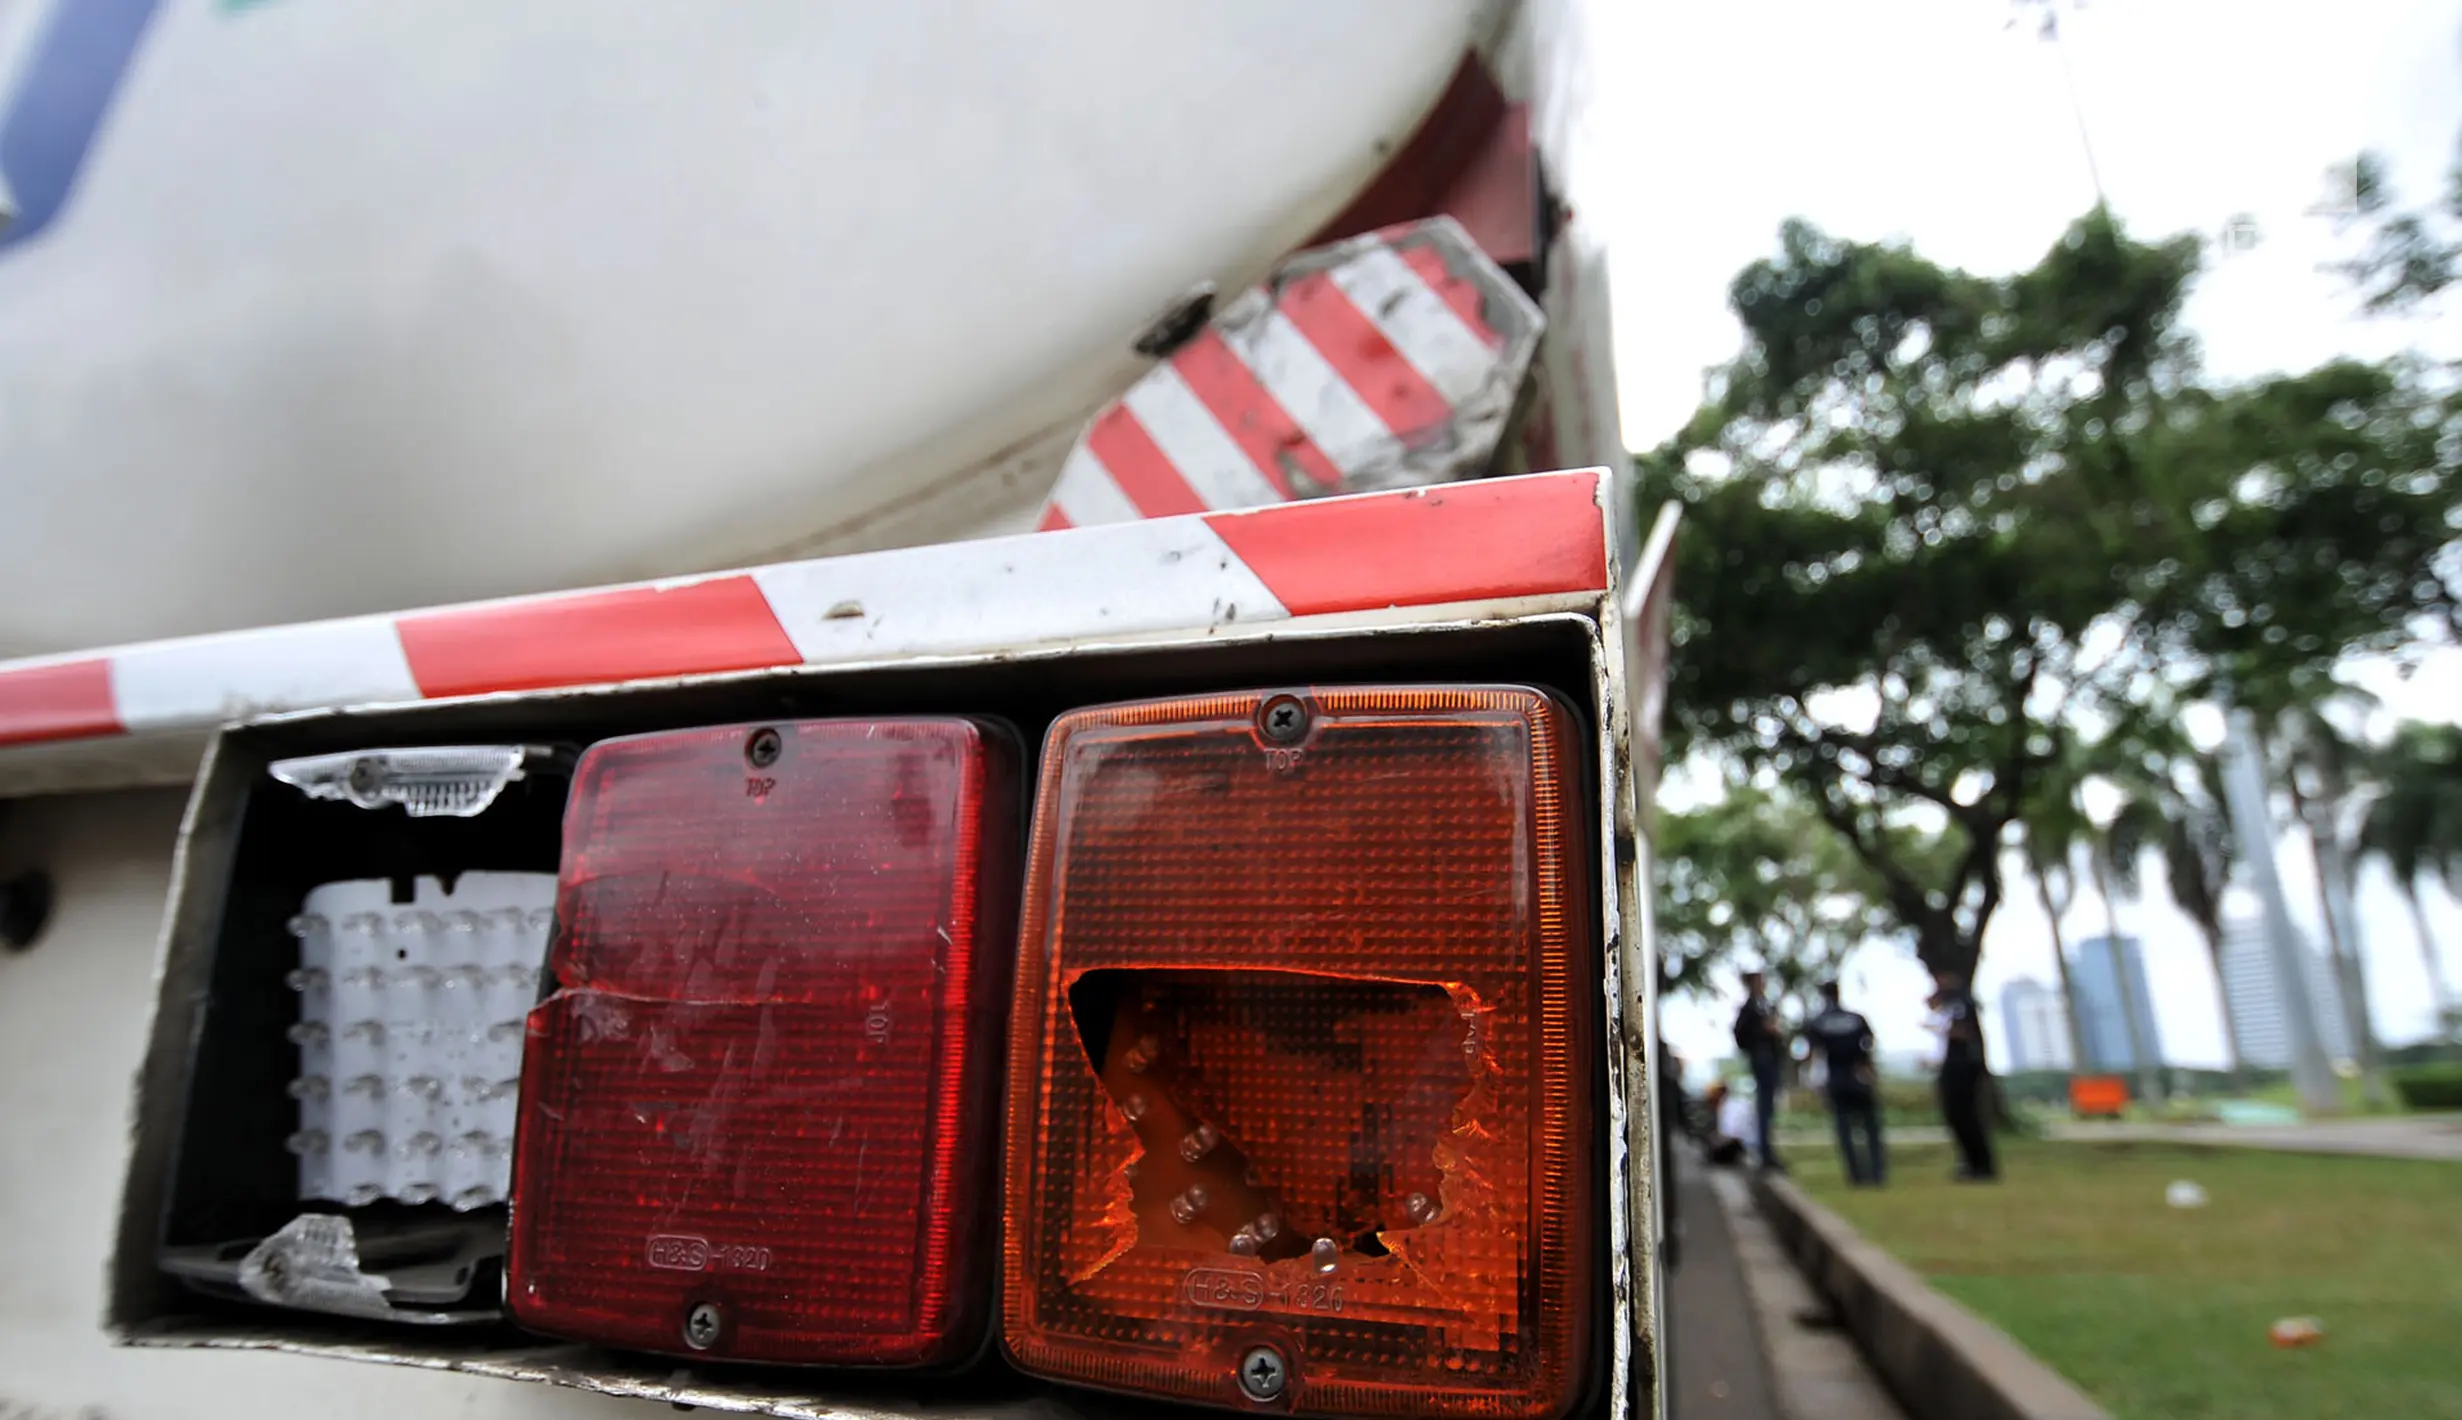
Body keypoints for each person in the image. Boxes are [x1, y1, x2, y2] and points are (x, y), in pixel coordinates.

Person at [1805, 980, 1885, 1186]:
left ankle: (1855, 1175)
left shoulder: (1819, 1022)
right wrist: (1868, 1068)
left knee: (1844, 1129)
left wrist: (1816, 1081)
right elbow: (1868, 1043)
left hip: (1837, 1078)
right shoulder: (1856, 1018)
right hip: (1859, 1075)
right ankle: (1877, 1173)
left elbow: (1815, 1054)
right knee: (1871, 1127)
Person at [1931, 966, 1998, 1181]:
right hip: (1954, 1063)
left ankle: (1981, 1165)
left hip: (1964, 1065)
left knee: (1965, 1115)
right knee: (1955, 1116)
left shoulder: (1960, 1001)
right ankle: (1970, 1162)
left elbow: (1962, 1031)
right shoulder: (1950, 1002)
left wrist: (1938, 1027)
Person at [1732, 970, 1785, 1171]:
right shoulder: (1750, 1009)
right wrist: (1762, 1033)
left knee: (1769, 1107)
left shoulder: (1765, 1005)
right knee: (1764, 1106)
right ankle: (1764, 1152)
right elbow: (1740, 1034)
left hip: (1771, 1059)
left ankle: (1767, 1149)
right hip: (1762, 1059)